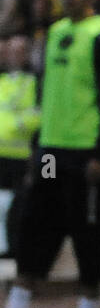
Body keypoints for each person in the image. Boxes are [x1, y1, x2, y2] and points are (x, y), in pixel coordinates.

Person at [2, 0, 100, 308]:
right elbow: (47, 95)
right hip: (51, 152)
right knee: (34, 223)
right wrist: (39, 147)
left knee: (86, 228)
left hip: (86, 151)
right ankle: (18, 306)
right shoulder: (54, 32)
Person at [0, 34, 40, 259]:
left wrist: (18, 125)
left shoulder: (34, 81)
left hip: (21, 152)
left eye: (19, 50)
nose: (13, 55)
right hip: (1, 151)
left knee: (18, 204)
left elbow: (40, 113)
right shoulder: (4, 79)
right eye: (11, 50)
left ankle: (16, 248)